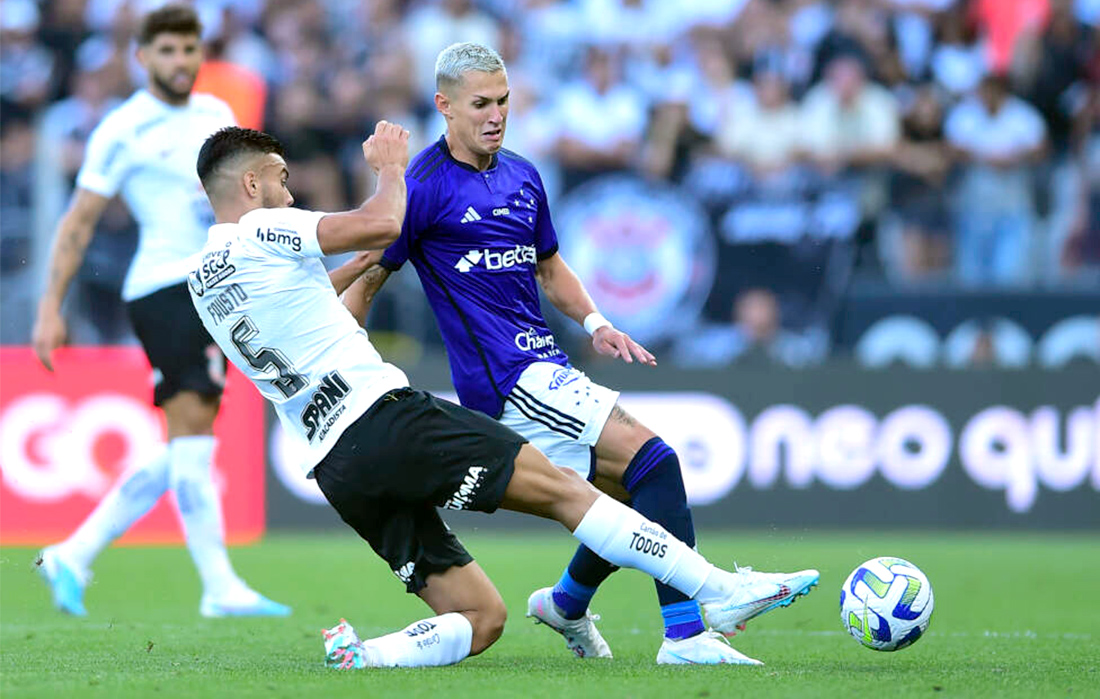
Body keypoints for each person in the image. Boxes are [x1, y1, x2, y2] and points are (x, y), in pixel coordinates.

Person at [189, 121, 819, 669]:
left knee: (481, 618)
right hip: (387, 420)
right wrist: (388, 169)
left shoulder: (201, 278)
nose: (289, 192)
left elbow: (311, 310)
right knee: (572, 491)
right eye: (279, 179)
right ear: (252, 187)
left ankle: (367, 655)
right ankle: (712, 590)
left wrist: (364, 264)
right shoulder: (263, 230)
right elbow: (382, 219)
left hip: (337, 466)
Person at [336, 42, 818, 664]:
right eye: (480, 103)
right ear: (444, 107)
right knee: (656, 459)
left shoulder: (523, 175)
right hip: (508, 378)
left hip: (547, 365)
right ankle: (688, 632)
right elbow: (367, 278)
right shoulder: (423, 187)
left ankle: (565, 604)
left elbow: (549, 266)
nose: (496, 115)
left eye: (504, 101)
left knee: (621, 494)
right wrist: (346, 377)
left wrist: (595, 321)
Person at [31, 4, 288, 618]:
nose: (180, 61)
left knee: (186, 442)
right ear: (142, 58)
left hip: (215, 284)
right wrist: (49, 307)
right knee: (193, 437)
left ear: (202, 54)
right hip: (163, 287)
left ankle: (75, 551)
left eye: (188, 49)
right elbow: (78, 223)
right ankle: (220, 587)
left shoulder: (217, 115)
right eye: (166, 51)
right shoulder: (122, 128)